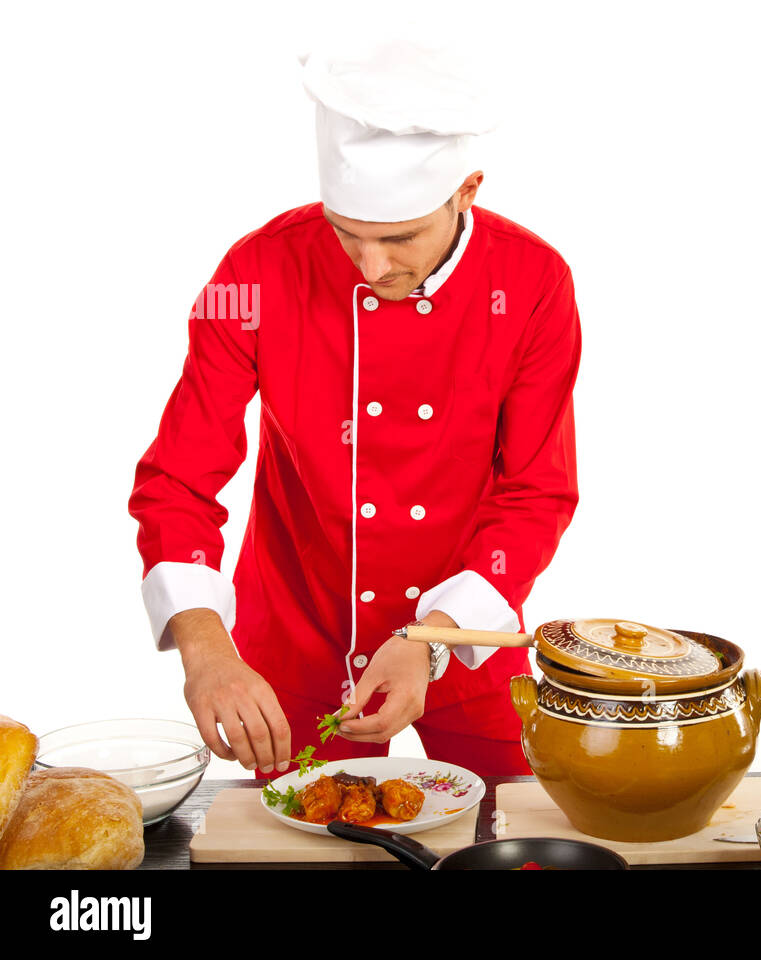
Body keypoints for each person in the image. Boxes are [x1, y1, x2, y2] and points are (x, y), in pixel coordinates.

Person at [127, 40, 580, 777]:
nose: (372, 269)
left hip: (467, 638)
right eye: (347, 235)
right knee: (294, 850)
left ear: (466, 190)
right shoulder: (257, 271)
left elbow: (538, 490)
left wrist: (430, 638)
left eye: (400, 239)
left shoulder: (533, 283)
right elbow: (178, 480)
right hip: (294, 648)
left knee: (506, 839)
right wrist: (207, 650)